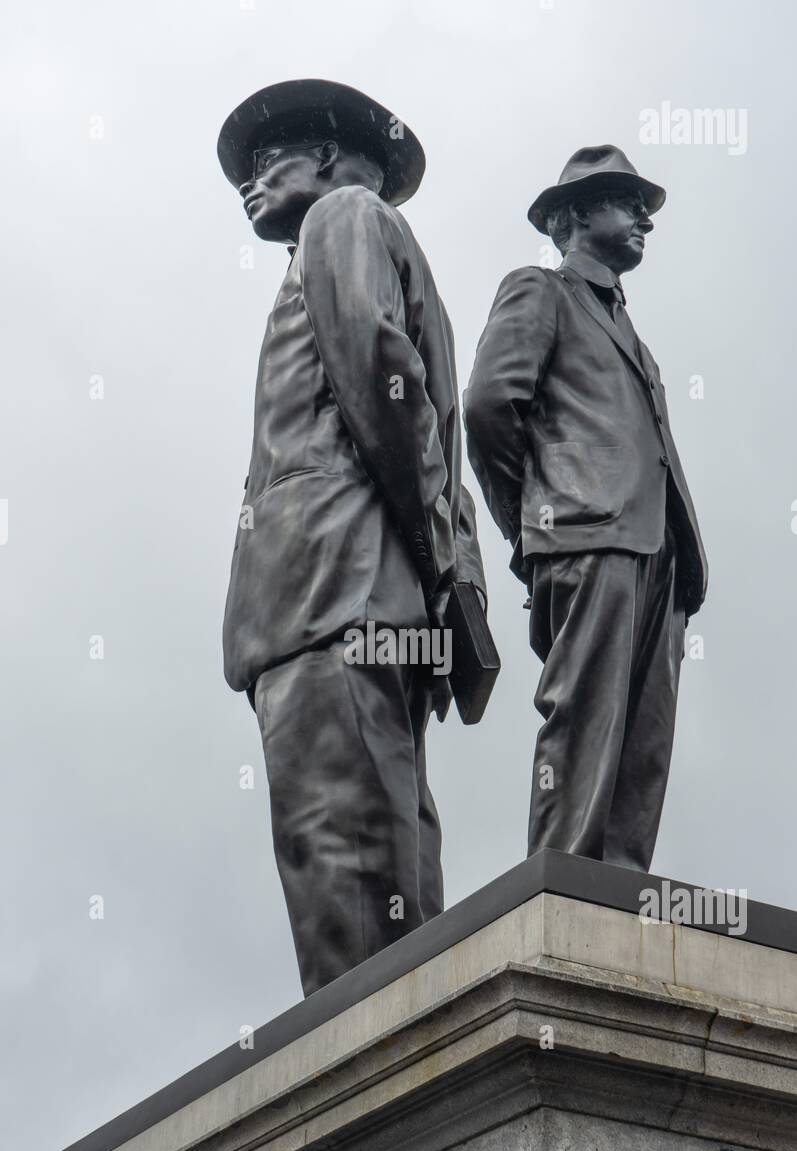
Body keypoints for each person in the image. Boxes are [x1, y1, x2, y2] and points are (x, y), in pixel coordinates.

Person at [217, 80, 485, 993]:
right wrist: (446, 587)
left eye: (267, 160)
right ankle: (409, 1083)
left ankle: (373, 1107)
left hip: (329, 588)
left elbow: (383, 377)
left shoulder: (344, 216)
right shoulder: (358, 235)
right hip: (367, 593)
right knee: (385, 860)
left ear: (329, 157)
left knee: (339, 858)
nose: (247, 182)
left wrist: (442, 574)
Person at [464, 145, 707, 871]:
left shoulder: (633, 336)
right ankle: (561, 881)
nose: (644, 222)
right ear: (572, 216)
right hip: (585, 534)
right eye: (625, 203)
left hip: (660, 553)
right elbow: (485, 408)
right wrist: (538, 524)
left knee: (643, 736)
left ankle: (621, 890)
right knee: (583, 717)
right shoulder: (540, 291)